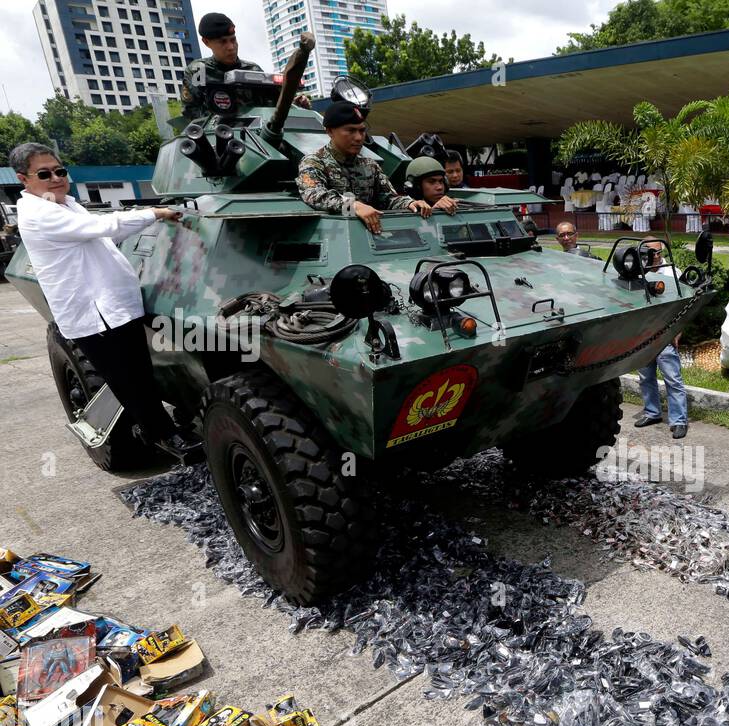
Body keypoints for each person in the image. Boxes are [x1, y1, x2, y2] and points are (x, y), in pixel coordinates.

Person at [11, 142, 199, 462]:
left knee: (140, 372)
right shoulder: (39, 213)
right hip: (94, 312)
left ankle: (169, 423)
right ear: (23, 179)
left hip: (114, 307)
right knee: (128, 379)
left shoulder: (65, 204)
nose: (56, 178)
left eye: (60, 170)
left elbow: (106, 237)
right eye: (44, 173)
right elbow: (100, 227)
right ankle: (161, 436)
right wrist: (155, 213)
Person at [297, 102, 433, 233]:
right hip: (336, 236)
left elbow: (388, 198)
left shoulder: (370, 165)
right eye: (350, 130)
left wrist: (409, 203)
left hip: (371, 235)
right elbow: (314, 195)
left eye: (362, 131)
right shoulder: (314, 162)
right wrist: (353, 205)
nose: (358, 137)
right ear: (330, 131)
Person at [180, 12, 310, 122]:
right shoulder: (199, 71)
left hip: (258, 140)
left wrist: (295, 103)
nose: (231, 47)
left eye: (233, 40)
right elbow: (191, 112)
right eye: (223, 42)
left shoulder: (252, 70)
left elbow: (274, 106)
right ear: (206, 42)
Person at [636, 239, 689, 439]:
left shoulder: (673, 273)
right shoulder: (637, 272)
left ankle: (679, 420)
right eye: (649, 252)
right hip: (643, 334)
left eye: (657, 252)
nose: (654, 256)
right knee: (645, 377)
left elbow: (686, 304)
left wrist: (678, 330)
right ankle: (652, 412)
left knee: (672, 378)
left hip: (665, 332)